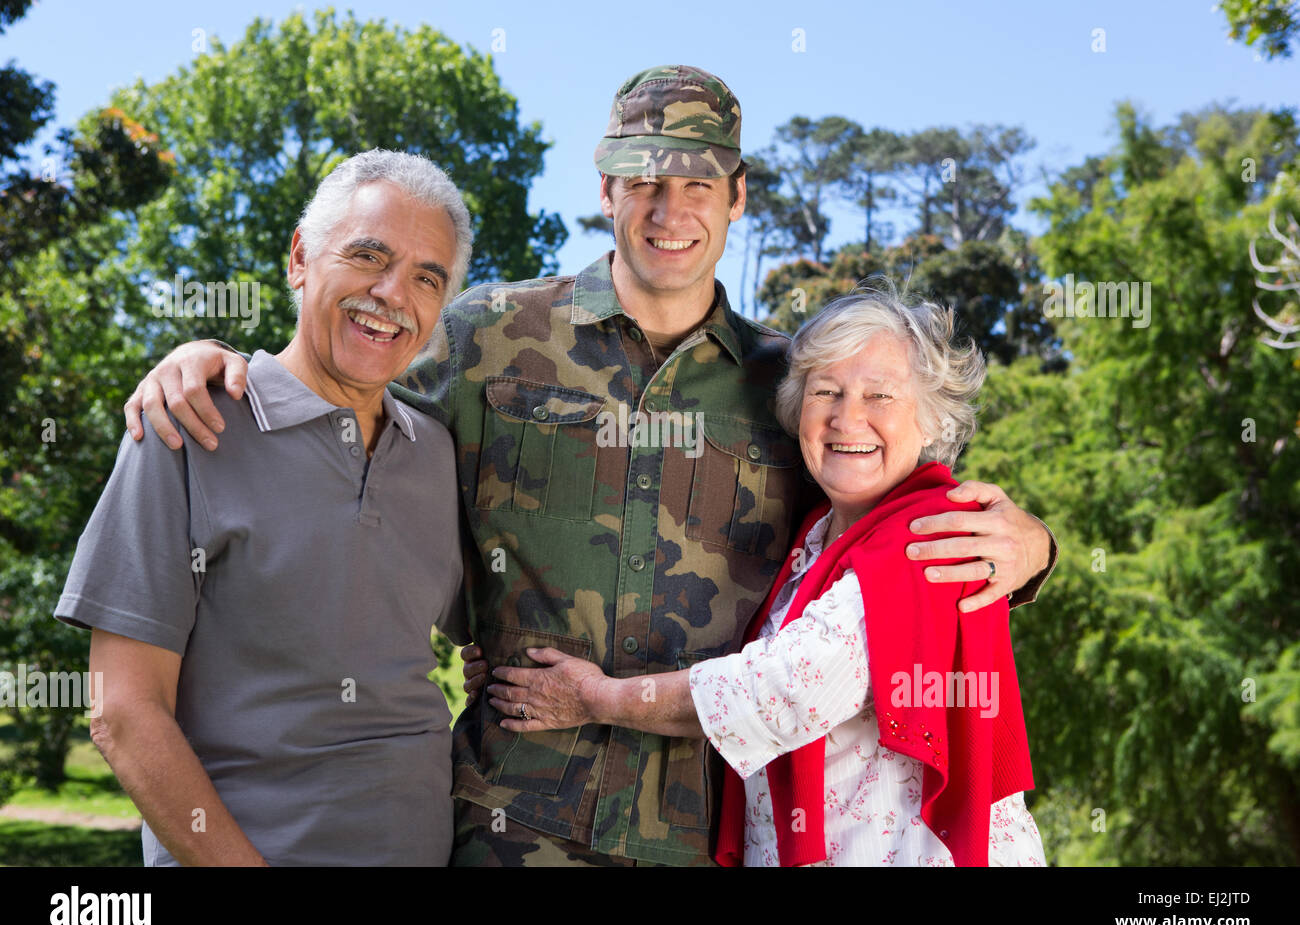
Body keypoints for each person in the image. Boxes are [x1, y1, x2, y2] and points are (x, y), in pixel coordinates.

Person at [122, 66, 1056, 866]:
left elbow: (881, 525)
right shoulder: (484, 336)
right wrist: (214, 359)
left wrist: (1034, 550)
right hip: (506, 820)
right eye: (641, 178)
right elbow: (350, 376)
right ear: (605, 190)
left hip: (709, 831)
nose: (668, 208)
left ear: (739, 196)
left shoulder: (796, 384)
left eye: (699, 184)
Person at [486, 288, 1045, 866]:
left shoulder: (931, 537)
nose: (847, 418)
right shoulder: (813, 537)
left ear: (931, 419)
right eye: (826, 391)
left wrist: (597, 699)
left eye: (880, 395)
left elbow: (780, 691)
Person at [57, 149, 474, 865]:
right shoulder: (186, 425)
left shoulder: (436, 453)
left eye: (426, 277)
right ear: (300, 259)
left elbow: (496, 640)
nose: (391, 292)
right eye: (368, 254)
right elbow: (123, 713)